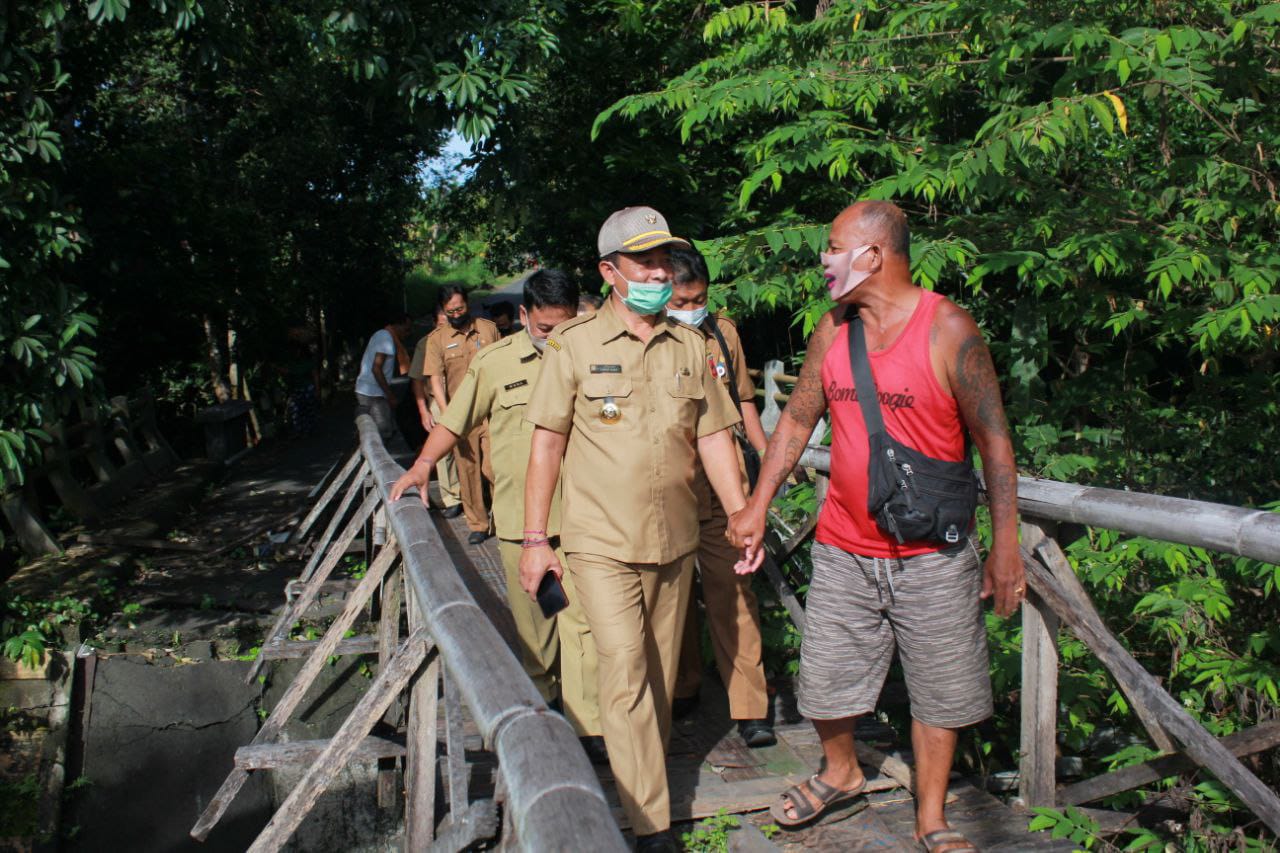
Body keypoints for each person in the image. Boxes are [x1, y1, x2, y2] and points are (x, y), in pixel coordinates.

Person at [729, 201, 1021, 850]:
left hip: (933, 553)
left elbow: (996, 445)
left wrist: (1007, 546)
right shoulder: (834, 330)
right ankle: (841, 769)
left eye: (834, 247)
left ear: (873, 256)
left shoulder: (948, 329)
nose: (823, 260)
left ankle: (931, 817)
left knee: (940, 692)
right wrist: (756, 503)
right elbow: (799, 420)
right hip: (843, 545)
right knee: (826, 678)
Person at [520, 206, 762, 853]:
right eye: (643, 261)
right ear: (609, 271)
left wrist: (742, 514)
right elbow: (545, 444)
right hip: (599, 543)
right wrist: (536, 539)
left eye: (663, 259)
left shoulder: (691, 347)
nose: (658, 272)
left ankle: (642, 786)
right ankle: (651, 824)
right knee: (625, 669)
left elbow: (714, 436)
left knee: (653, 678)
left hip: (675, 543)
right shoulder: (574, 345)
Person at [390, 270, 605, 762]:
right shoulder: (495, 362)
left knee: (583, 628)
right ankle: (543, 711)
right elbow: (455, 418)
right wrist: (422, 465)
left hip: (584, 518)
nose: (556, 340)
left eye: (566, 327)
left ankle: (588, 727)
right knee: (538, 633)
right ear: (524, 317)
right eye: (546, 329)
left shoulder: (594, 356)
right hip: (521, 526)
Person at [663, 245, 774, 747]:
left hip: (726, 484)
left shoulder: (722, 333)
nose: (693, 308)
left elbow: (744, 401)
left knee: (736, 592)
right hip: (672, 484)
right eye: (683, 300)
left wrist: (770, 461)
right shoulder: (651, 339)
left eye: (700, 298)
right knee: (675, 596)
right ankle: (683, 687)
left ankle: (750, 706)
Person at [422, 286, 501, 544]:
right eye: (450, 311)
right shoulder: (437, 340)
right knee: (467, 471)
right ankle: (478, 523)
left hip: (491, 411)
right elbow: (436, 381)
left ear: (468, 304)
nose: (456, 314)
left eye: (460, 309)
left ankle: (502, 520)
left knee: (495, 468)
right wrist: (449, 417)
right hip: (461, 415)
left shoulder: (488, 329)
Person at [408, 310, 463, 518]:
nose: (445, 328)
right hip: (438, 402)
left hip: (462, 398)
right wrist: (423, 411)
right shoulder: (426, 343)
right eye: (441, 324)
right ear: (434, 322)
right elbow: (417, 380)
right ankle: (452, 498)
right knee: (443, 453)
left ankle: (474, 493)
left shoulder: (462, 339)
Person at [354, 312, 411, 442]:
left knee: (376, 430)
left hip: (369, 390)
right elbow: (376, 368)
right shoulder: (386, 338)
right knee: (383, 431)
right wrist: (390, 395)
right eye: (406, 329)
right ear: (397, 325)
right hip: (373, 393)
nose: (407, 333)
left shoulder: (383, 334)